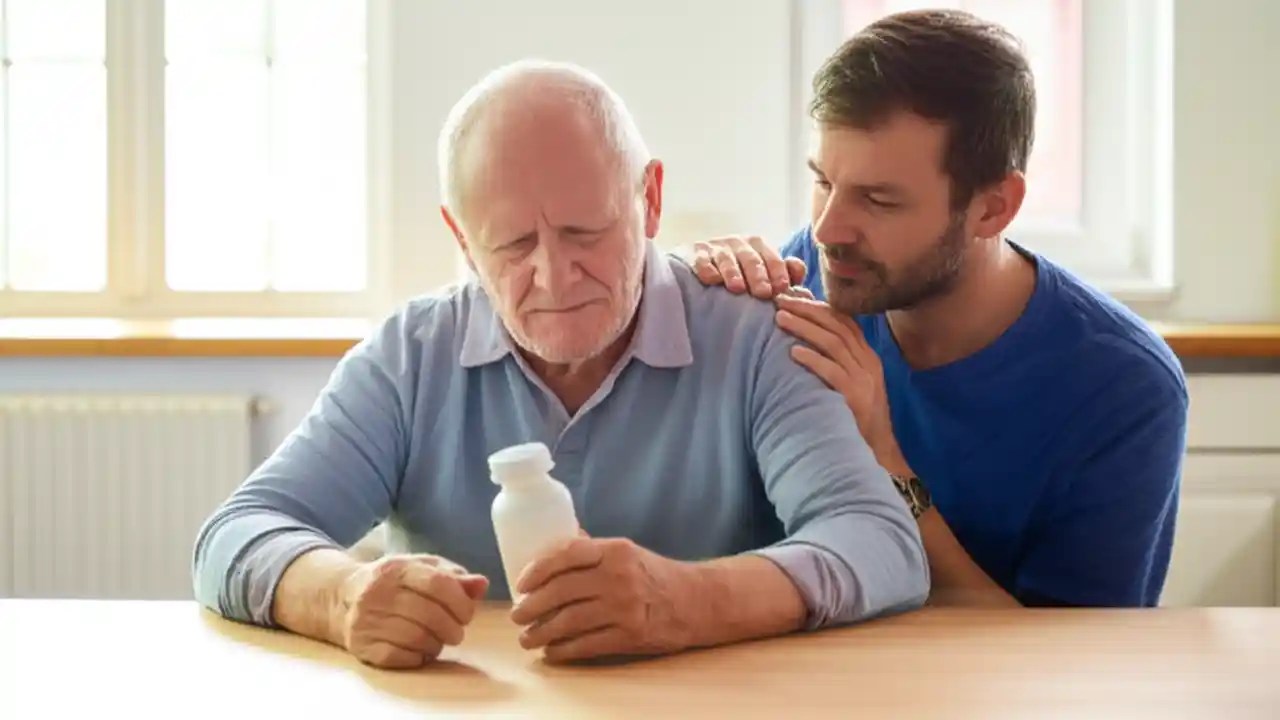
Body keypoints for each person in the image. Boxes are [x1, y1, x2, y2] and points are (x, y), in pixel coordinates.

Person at [192, 59, 929, 669]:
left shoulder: (758, 335)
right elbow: (238, 532)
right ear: (461, 237)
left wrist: (687, 602)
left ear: (650, 199)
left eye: (586, 231)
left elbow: (883, 544)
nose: (553, 276)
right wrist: (344, 597)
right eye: (511, 245)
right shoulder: (409, 357)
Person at [688, 9, 1188, 608]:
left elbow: (1064, 664)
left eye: (878, 200)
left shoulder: (1124, 389)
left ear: (993, 209)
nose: (827, 229)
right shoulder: (804, 275)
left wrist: (882, 456)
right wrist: (683, 289)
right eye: (823, 181)